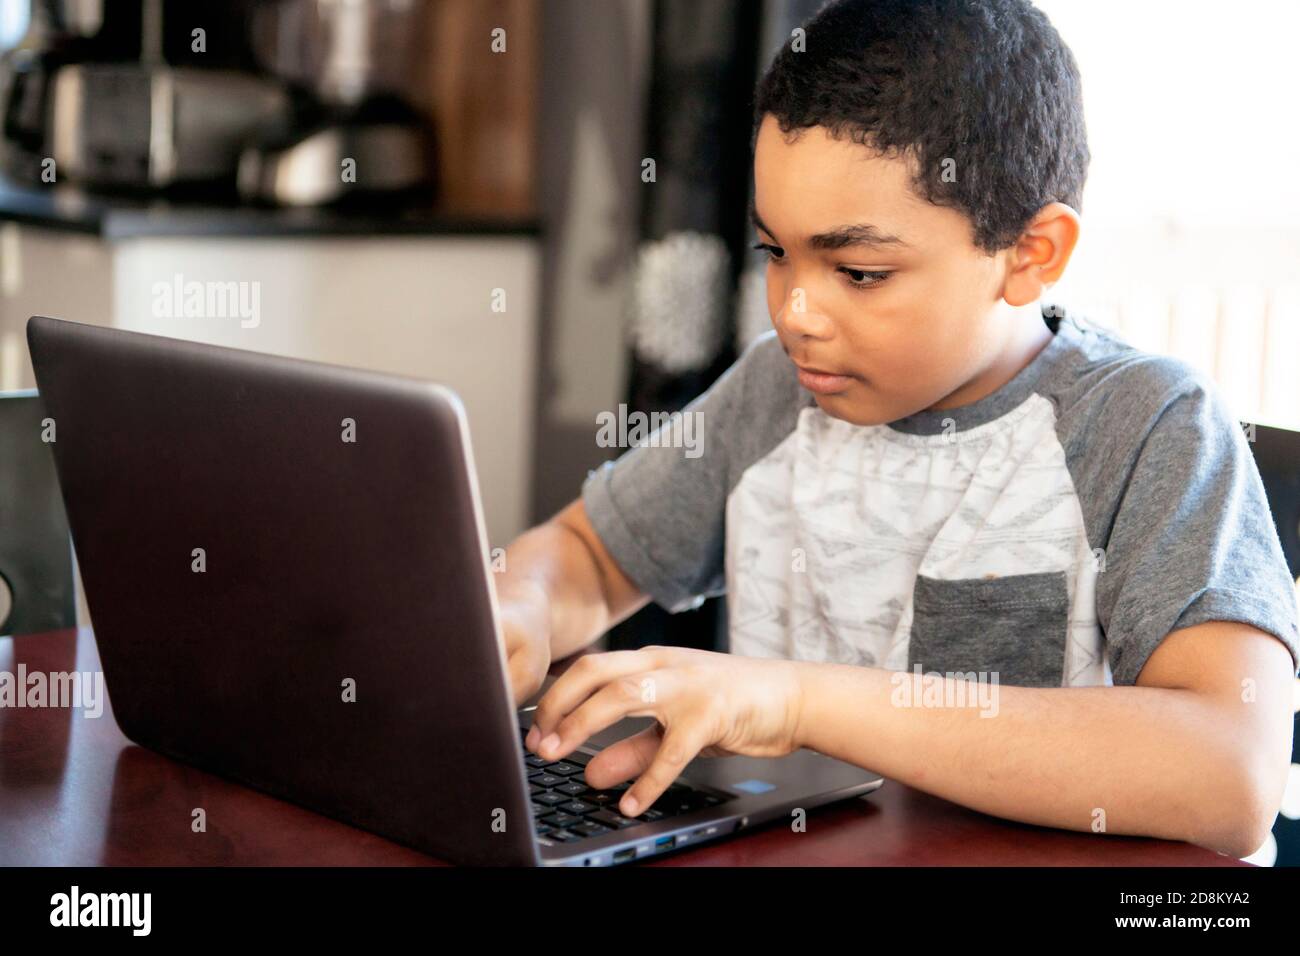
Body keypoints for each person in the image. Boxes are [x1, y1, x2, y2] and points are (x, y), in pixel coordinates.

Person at [497, 0, 1300, 857]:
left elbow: (1230, 774)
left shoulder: (1146, 424)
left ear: (1032, 253)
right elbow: (587, 557)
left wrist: (799, 701)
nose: (796, 313)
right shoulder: (778, 391)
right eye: (776, 253)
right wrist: (522, 602)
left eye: (859, 271)